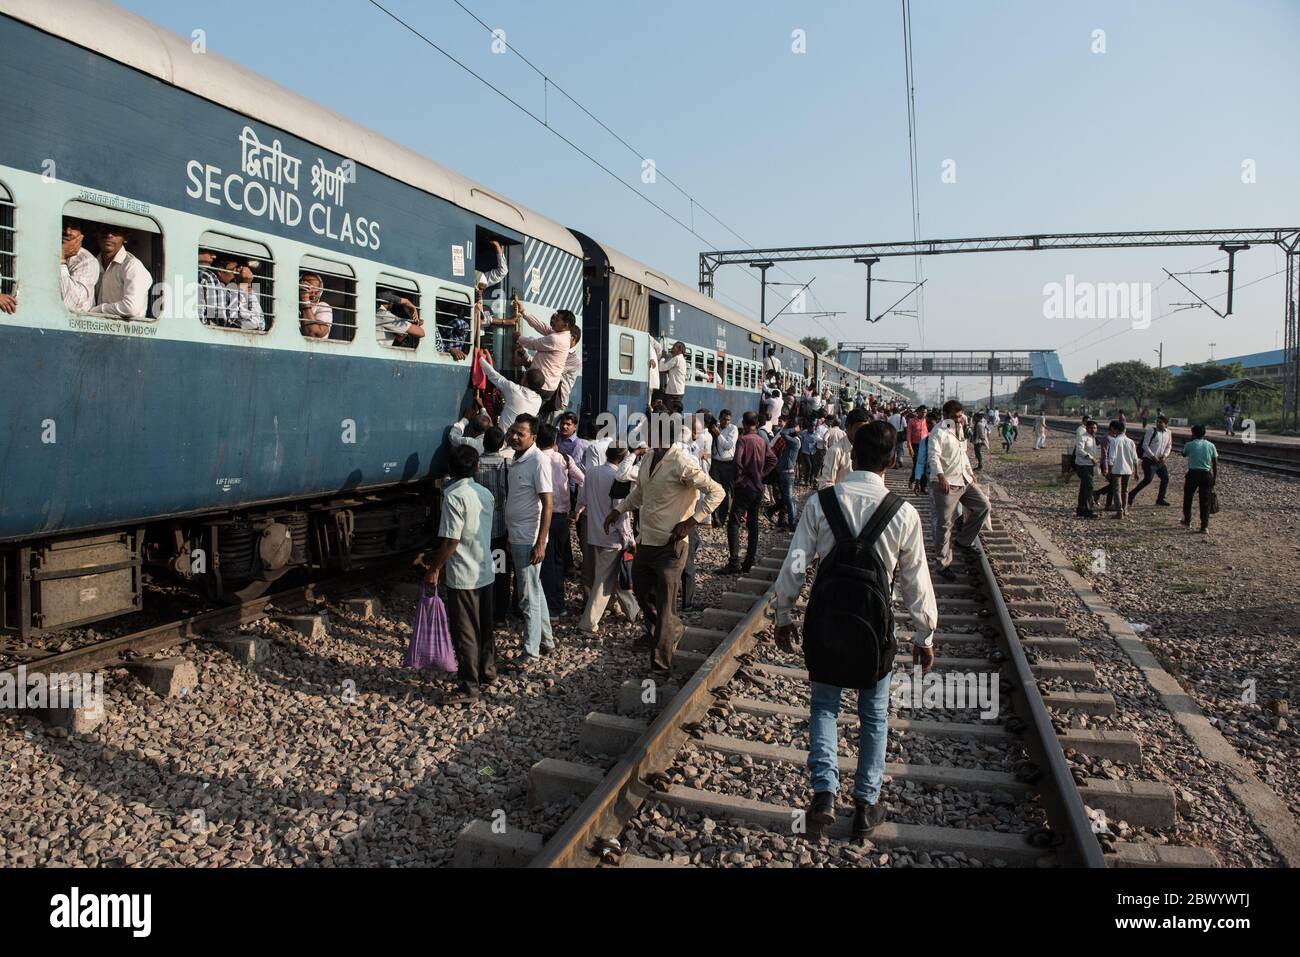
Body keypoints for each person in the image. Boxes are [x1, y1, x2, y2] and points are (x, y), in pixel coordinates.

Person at [773, 422, 938, 838]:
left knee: (825, 706)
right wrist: (925, 635)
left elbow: (796, 561)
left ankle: (824, 793)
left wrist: (784, 613)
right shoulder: (903, 513)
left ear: (853, 454)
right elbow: (916, 581)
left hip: (826, 623)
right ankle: (866, 805)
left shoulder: (821, 502)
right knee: (874, 715)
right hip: (874, 631)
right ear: (891, 460)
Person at [604, 417, 723, 676]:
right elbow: (641, 494)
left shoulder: (680, 461)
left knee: (666, 604)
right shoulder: (648, 458)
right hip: (647, 541)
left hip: (671, 545)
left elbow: (717, 491)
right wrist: (619, 510)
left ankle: (660, 665)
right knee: (643, 593)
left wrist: (690, 522)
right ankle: (671, 629)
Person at [423, 446, 497, 704]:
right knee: (485, 626)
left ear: (451, 470)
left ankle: (468, 688)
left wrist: (434, 569)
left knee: (465, 631)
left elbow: (451, 541)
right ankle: (487, 672)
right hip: (485, 569)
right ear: (476, 467)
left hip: (464, 574)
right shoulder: (485, 493)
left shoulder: (453, 496)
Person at [502, 414, 554, 668]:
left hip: (529, 538)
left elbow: (548, 504)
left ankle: (530, 652)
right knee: (535, 590)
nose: (514, 436)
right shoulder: (516, 458)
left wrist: (541, 542)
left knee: (527, 596)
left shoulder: (538, 461)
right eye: (513, 431)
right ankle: (546, 640)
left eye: (520, 433)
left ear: (533, 437)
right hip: (518, 536)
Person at [576, 445, 641, 633]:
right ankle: (588, 622)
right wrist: (629, 538)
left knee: (609, 574)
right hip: (612, 536)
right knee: (605, 579)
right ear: (623, 460)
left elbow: (584, 498)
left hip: (594, 532)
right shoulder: (618, 478)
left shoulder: (592, 472)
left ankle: (627, 609)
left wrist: (578, 511)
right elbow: (620, 511)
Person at [928, 400, 991, 581]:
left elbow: (962, 454)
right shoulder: (938, 432)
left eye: (960, 416)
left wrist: (971, 473)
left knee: (983, 506)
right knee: (944, 524)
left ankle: (963, 541)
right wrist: (940, 477)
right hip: (946, 483)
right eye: (955, 417)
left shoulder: (960, 429)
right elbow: (933, 456)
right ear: (945, 415)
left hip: (964, 479)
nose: (958, 419)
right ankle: (942, 565)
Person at [537, 424, 583, 621]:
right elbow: (583, 480)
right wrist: (578, 508)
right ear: (555, 440)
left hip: (542, 519)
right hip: (562, 519)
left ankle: (550, 608)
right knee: (558, 561)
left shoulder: (535, 459)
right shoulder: (565, 458)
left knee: (546, 563)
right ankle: (559, 605)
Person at [722, 411, 777, 574]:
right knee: (752, 524)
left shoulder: (743, 440)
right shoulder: (761, 440)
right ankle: (750, 561)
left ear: (744, 424)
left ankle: (734, 562)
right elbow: (773, 459)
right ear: (756, 424)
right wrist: (762, 473)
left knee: (734, 521)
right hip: (758, 488)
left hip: (745, 487)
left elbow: (737, 462)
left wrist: (737, 480)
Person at [473, 426, 513, 627]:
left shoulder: (475, 465)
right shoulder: (507, 464)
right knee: (501, 573)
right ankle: (499, 616)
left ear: (484, 442)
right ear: (502, 444)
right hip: (500, 530)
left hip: (478, 530)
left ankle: (481, 612)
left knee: (479, 573)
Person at [516, 304, 574, 407]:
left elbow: (533, 344)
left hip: (540, 385)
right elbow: (542, 327)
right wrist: (524, 312)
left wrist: (519, 338)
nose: (554, 320)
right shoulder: (562, 335)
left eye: (557, 319)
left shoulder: (556, 339)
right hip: (547, 386)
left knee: (523, 409)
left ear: (566, 325)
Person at [89, 224, 151, 318]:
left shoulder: (132, 265)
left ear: (125, 238)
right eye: (104, 229)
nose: (109, 235)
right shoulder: (92, 263)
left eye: (115, 231)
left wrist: (97, 310)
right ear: (96, 234)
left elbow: (131, 308)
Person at [477, 351, 544, 434]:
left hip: (503, 438)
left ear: (526, 381)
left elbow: (493, 375)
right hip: (520, 440)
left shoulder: (514, 390)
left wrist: (480, 358)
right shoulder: (538, 400)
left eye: (524, 376)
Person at [819, 407, 870, 489]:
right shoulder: (836, 451)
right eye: (859, 429)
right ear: (848, 426)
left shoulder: (867, 449)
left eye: (866, 430)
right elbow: (825, 485)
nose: (863, 434)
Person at [1181, 425, 1218, 534]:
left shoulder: (1189, 444)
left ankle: (1187, 521)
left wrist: (1189, 442)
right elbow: (1215, 463)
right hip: (1207, 475)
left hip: (1193, 474)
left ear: (1193, 434)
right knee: (1205, 501)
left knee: (1188, 498)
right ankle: (1204, 527)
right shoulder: (1211, 445)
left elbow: (1183, 454)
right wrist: (1214, 477)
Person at [1128, 415, 1173, 507]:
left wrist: (1165, 456)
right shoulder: (1151, 431)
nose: (1158, 424)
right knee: (1148, 480)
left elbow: (1169, 446)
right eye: (1157, 422)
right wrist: (1152, 456)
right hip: (1149, 460)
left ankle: (1161, 499)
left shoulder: (1168, 433)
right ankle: (1131, 495)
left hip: (1160, 460)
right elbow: (1145, 445)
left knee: (1165, 478)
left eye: (1161, 422)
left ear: (1166, 424)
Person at [1096, 420, 1137, 518]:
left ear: (1116, 430)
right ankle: (1125, 509)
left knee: (1116, 490)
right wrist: (1135, 471)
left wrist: (1109, 469)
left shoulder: (1115, 441)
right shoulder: (1131, 442)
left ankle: (1119, 512)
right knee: (1125, 490)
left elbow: (1112, 458)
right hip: (1128, 470)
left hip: (1116, 469)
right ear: (1124, 430)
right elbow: (1135, 458)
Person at [710, 409, 738, 526]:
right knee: (715, 489)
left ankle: (721, 518)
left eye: (728, 420)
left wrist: (718, 434)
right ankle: (714, 517)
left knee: (725, 491)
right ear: (720, 418)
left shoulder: (733, 429)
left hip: (727, 464)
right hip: (715, 463)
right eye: (724, 419)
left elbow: (728, 445)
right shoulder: (715, 427)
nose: (726, 422)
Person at [552, 326, 583, 416]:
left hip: (557, 400)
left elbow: (552, 369)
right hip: (549, 396)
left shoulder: (574, 359)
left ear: (573, 338)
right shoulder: (561, 351)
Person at [652, 340, 688, 412]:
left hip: (673, 392)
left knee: (669, 411)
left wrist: (663, 357)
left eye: (674, 348)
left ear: (679, 349)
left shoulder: (677, 358)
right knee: (676, 411)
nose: (672, 350)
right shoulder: (682, 360)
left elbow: (662, 368)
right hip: (679, 391)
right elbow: (674, 372)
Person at [1074, 419, 1100, 519]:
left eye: (1095, 428)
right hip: (1082, 465)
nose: (1093, 429)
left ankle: (1080, 509)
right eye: (1091, 428)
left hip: (1090, 466)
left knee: (1084, 487)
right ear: (1087, 428)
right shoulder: (1083, 437)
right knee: (1089, 486)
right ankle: (1087, 510)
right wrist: (1090, 457)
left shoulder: (1093, 438)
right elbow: (1079, 450)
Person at [298, 272, 332, 338]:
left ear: (319, 292)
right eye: (305, 285)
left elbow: (313, 334)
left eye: (316, 290)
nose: (312, 292)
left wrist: (305, 300)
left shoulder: (323, 307)